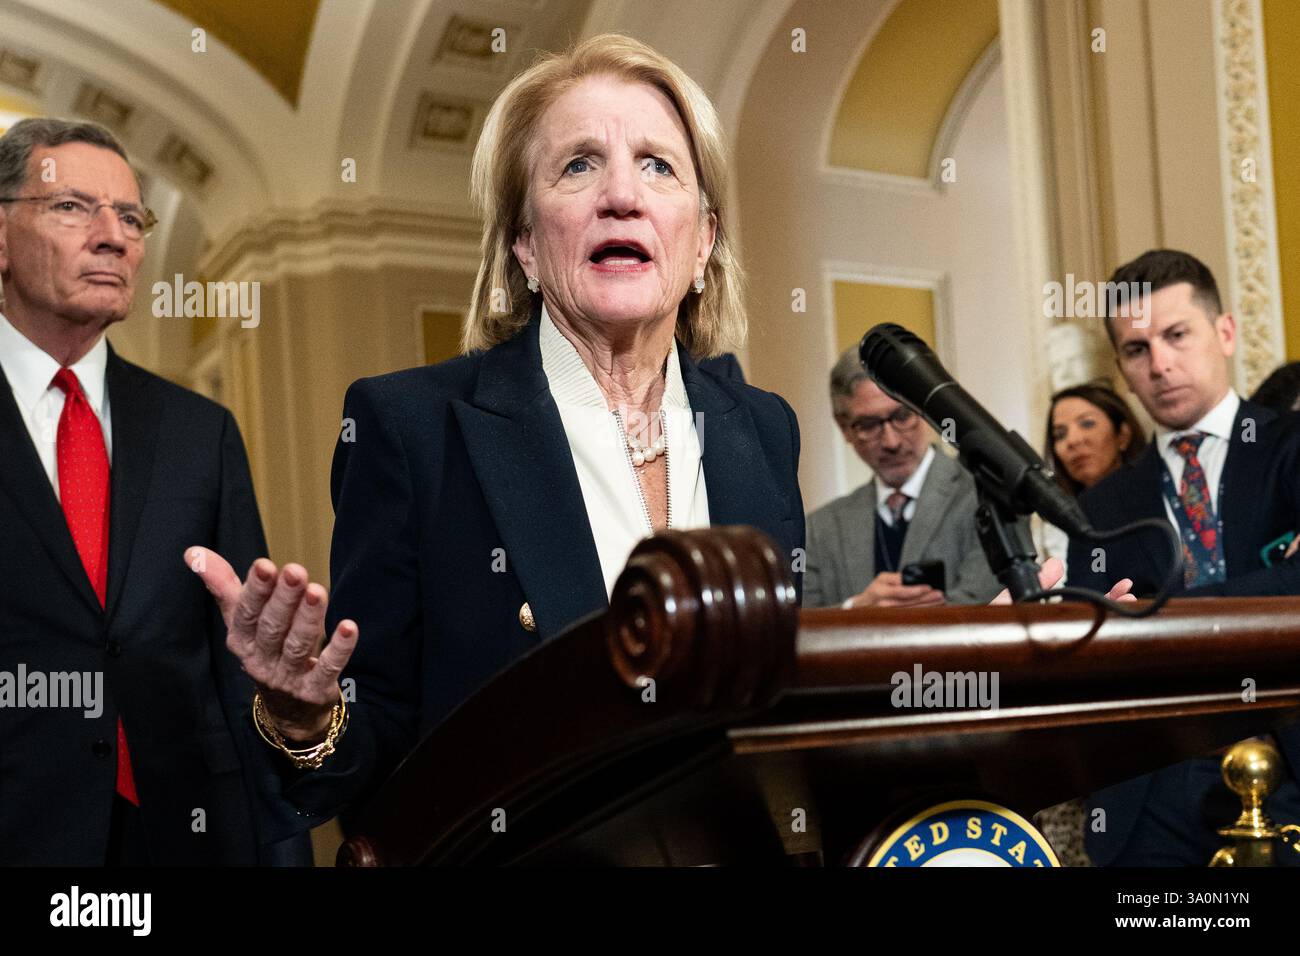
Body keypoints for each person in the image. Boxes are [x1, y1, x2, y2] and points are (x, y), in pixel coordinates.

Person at [188, 35, 805, 822]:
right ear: (524, 247)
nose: (623, 193)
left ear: (704, 241)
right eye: (579, 165)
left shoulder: (762, 428)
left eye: (659, 165)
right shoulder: (412, 428)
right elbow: (374, 740)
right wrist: (305, 718)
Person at [0, 118, 308, 864]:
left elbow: (245, 664)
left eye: (131, 217)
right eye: (72, 207)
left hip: (183, 835)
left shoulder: (200, 432)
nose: (114, 237)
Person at [1065, 248, 1300, 866]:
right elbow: (1095, 633)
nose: (1160, 365)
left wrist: (1158, 611)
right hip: (1152, 784)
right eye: (1136, 350)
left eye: (1176, 335)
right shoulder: (1104, 503)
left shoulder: (1287, 447)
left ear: (1224, 332)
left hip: (1289, 755)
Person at [803, 345, 1003, 608]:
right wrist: (856, 609)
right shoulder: (819, 530)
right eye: (868, 425)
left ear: (925, 409)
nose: (891, 441)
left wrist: (877, 620)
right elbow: (798, 629)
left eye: (902, 416)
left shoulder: (987, 499)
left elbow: (988, 609)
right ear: (844, 427)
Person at [1033, 383, 1148, 566]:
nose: (1073, 441)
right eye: (1060, 435)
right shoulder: (1054, 526)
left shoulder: (1156, 500)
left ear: (1123, 435)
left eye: (1087, 424)